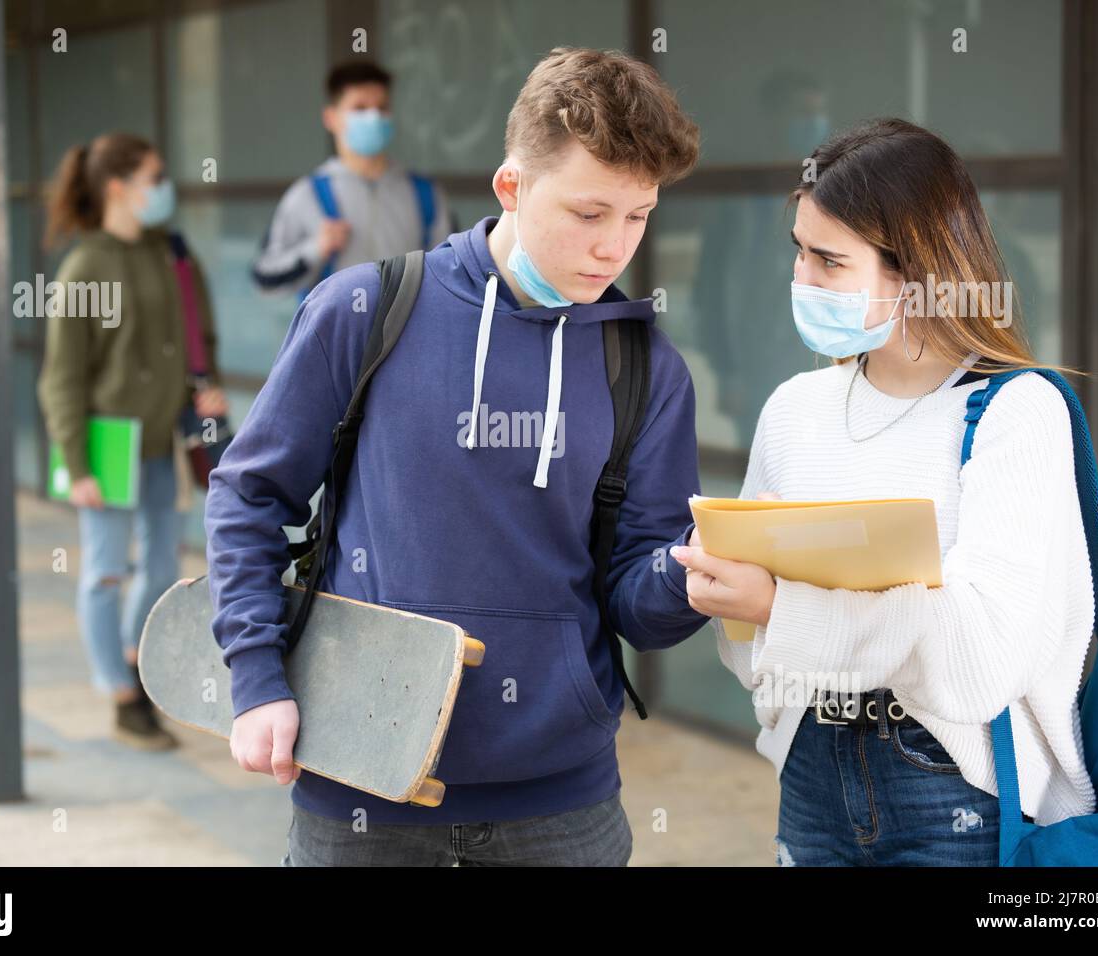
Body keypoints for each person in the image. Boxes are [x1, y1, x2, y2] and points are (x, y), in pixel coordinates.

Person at [206, 47, 703, 866]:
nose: (615, 247)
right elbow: (248, 496)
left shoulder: (647, 369)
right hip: (360, 785)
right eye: (589, 213)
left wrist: (688, 579)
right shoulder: (365, 310)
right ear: (511, 187)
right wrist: (256, 678)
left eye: (638, 215)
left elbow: (638, 607)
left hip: (562, 808)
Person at [672, 118, 1095, 866]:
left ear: (920, 273)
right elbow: (753, 651)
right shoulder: (794, 409)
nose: (801, 280)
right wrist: (726, 593)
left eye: (830, 261)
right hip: (809, 765)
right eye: (798, 251)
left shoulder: (1015, 411)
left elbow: (982, 652)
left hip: (954, 784)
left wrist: (781, 606)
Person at [38, 132, 228, 750]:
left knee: (162, 563)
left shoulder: (170, 251)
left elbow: (200, 337)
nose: (163, 187)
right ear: (118, 187)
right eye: (153, 177)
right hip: (106, 444)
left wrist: (209, 389)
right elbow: (61, 378)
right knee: (104, 571)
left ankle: (135, 665)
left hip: (164, 437)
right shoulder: (84, 266)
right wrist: (77, 464)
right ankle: (120, 695)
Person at [251, 60, 458, 299]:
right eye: (359, 108)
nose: (373, 117)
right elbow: (264, 277)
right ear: (331, 118)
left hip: (411, 335)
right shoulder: (306, 195)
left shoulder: (427, 194)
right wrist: (315, 249)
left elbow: (452, 274)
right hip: (334, 335)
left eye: (382, 108)